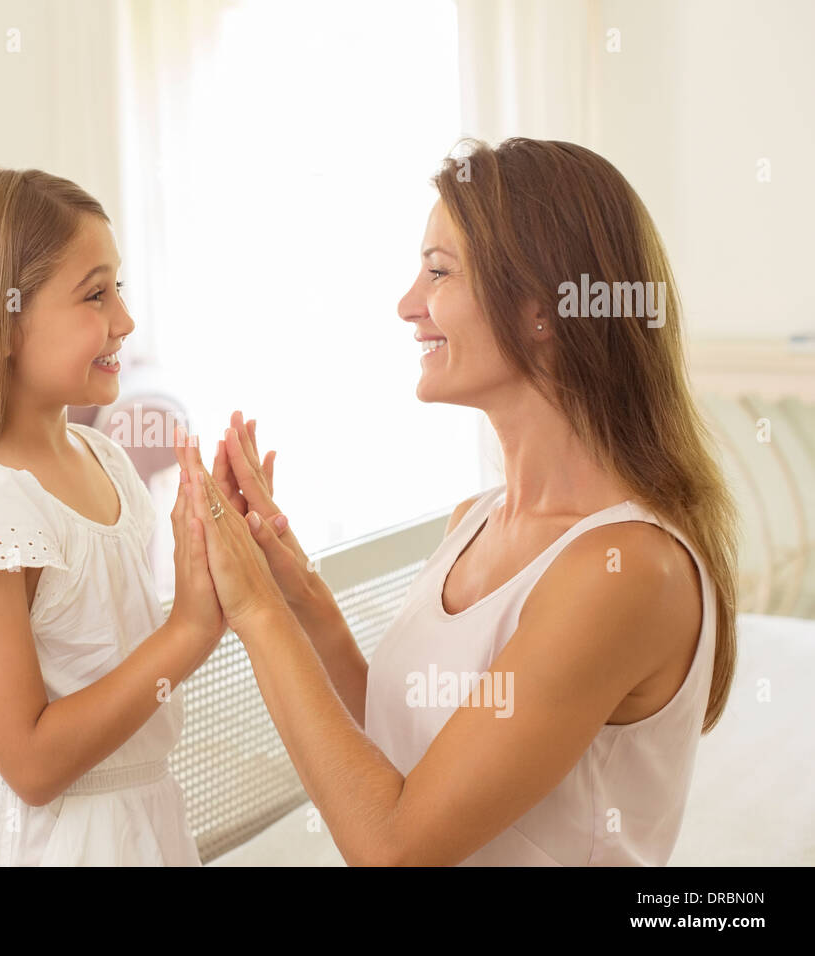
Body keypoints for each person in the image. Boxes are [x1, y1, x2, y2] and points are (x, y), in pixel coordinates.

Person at [178, 137, 739, 866]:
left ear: (542, 309)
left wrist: (253, 610)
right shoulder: (473, 521)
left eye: (438, 273)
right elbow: (401, 743)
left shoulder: (625, 570)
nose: (408, 305)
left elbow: (394, 845)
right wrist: (294, 591)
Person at [0, 166, 227, 865]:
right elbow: (30, 765)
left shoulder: (102, 458)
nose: (125, 319)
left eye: (119, 287)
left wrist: (210, 570)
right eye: (94, 294)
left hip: (137, 826)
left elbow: (111, 650)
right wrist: (189, 631)